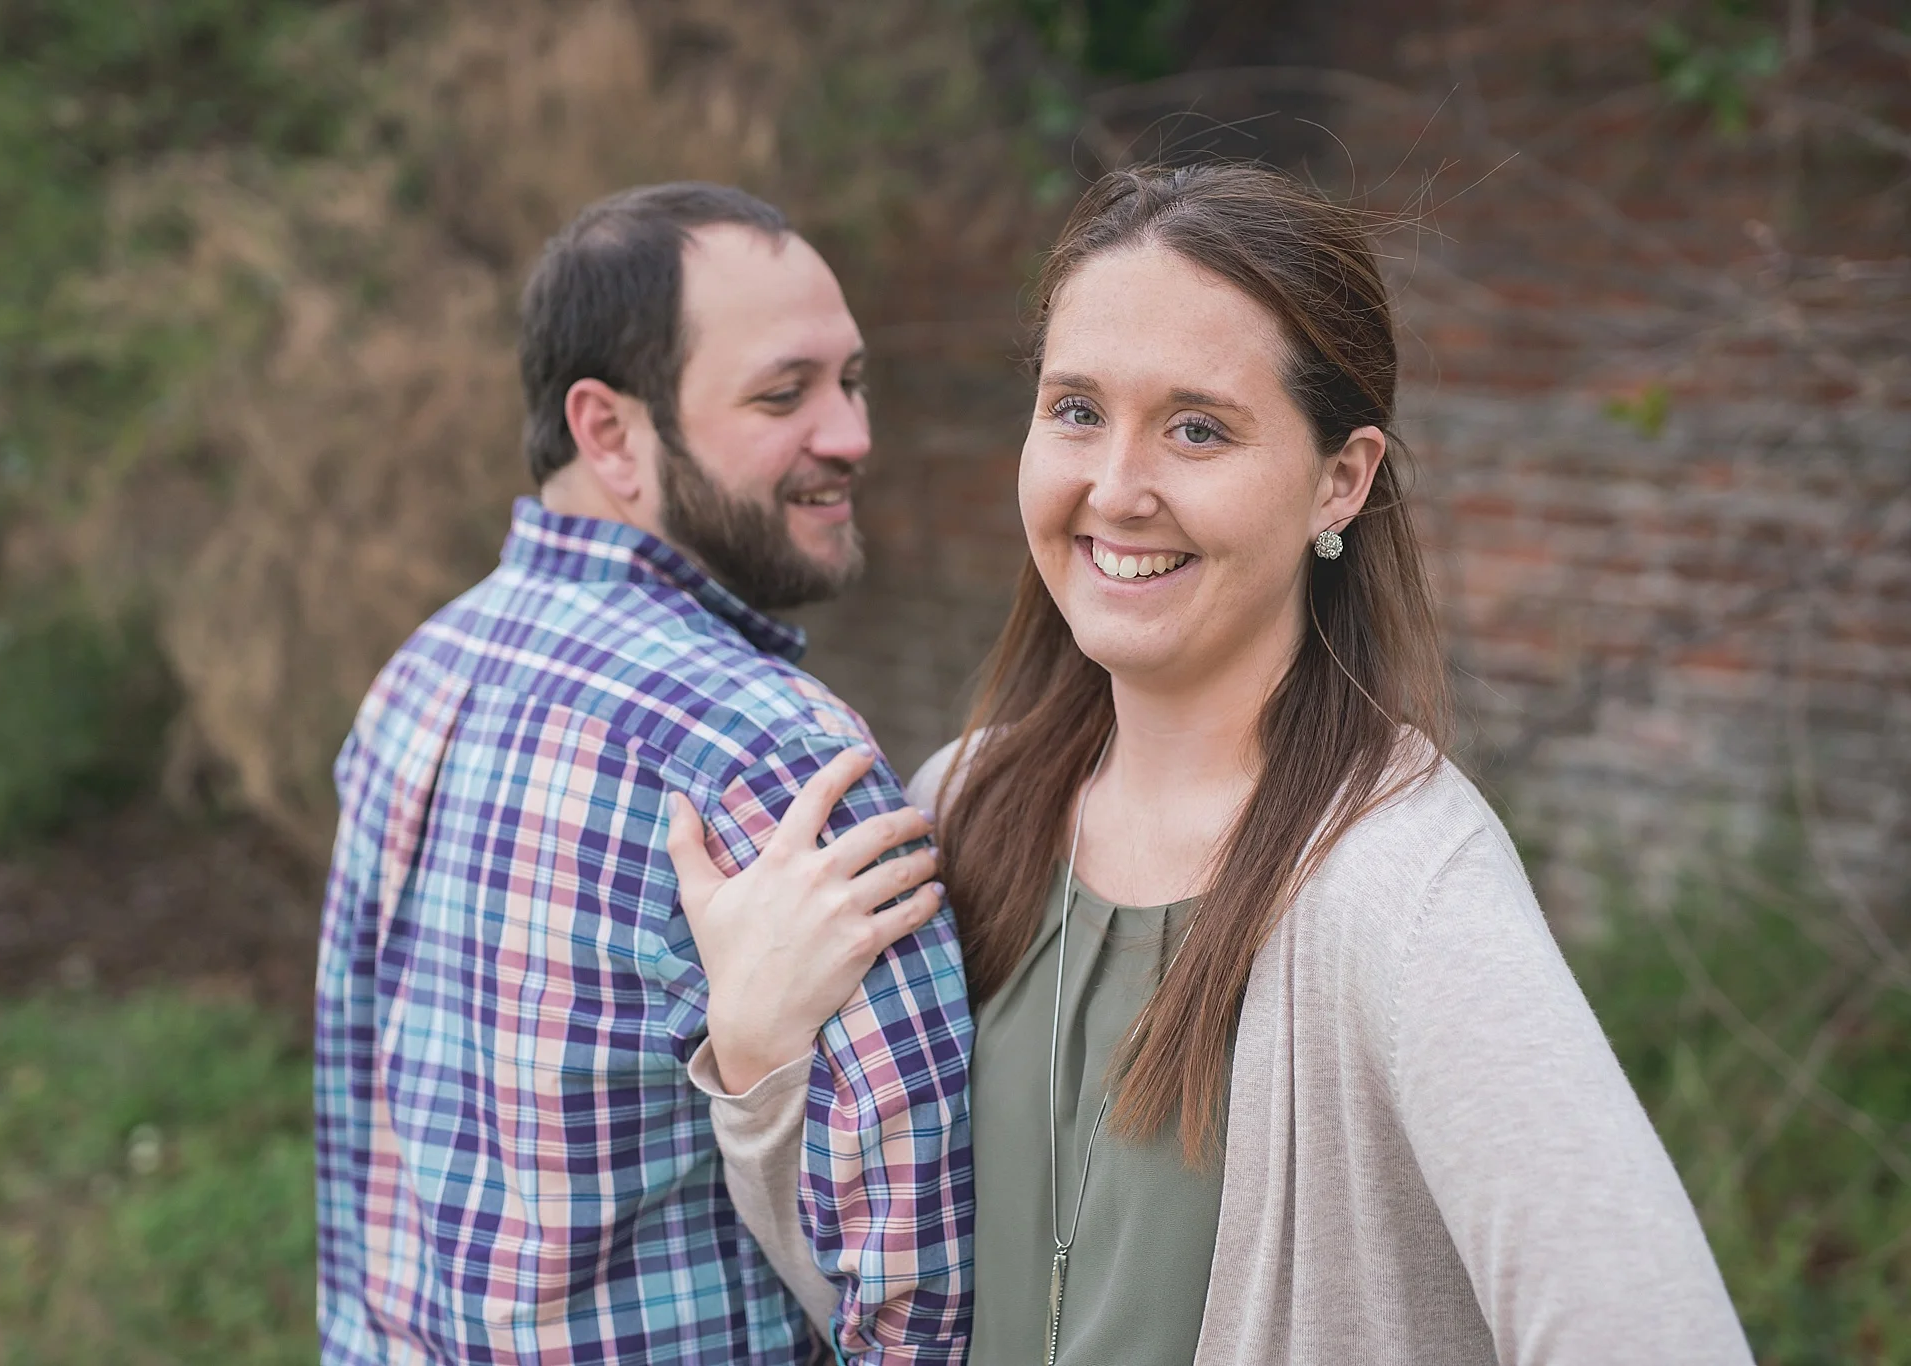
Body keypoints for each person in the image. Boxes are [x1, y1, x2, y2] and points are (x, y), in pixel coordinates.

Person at [666, 162, 1754, 1365]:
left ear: (1338, 479)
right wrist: (763, 1057)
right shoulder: (957, 810)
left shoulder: (1398, 892)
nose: (1114, 488)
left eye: (1197, 427)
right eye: (1076, 410)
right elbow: (887, 1320)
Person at [314, 182, 971, 1365]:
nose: (850, 435)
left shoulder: (422, 675)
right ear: (608, 431)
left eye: (851, 381)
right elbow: (925, 1292)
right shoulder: (765, 753)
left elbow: (362, 1173)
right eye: (784, 394)